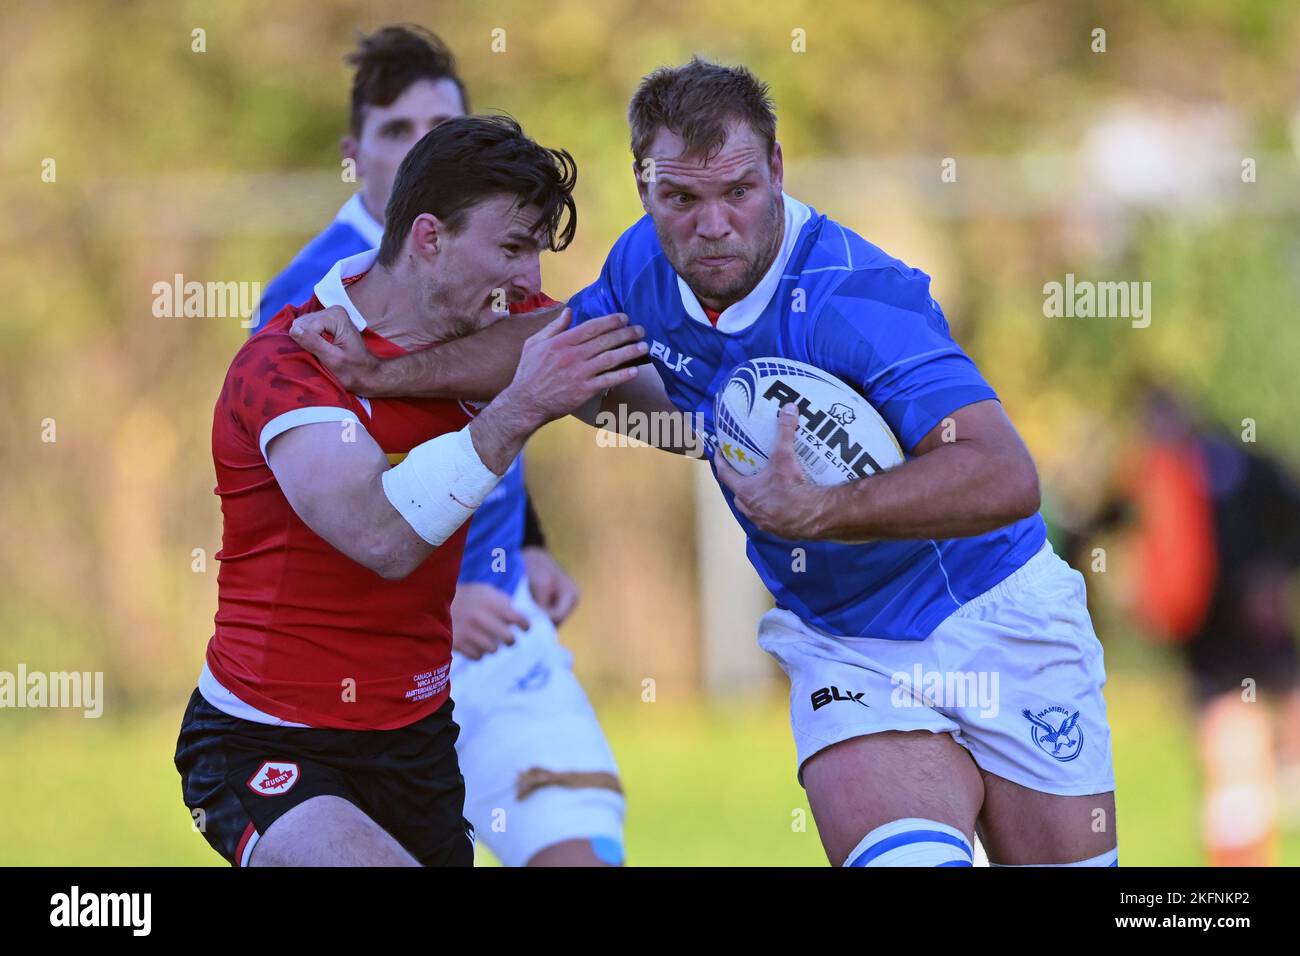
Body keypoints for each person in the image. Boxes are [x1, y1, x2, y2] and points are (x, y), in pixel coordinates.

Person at [291, 58, 1119, 868]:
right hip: (847, 647)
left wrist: (822, 510)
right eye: (680, 197)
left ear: (777, 171)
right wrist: (383, 372)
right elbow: (551, 353)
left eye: (739, 192)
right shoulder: (642, 269)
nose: (713, 225)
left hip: (997, 618)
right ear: (645, 187)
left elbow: (1005, 476)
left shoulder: (859, 300)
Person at [173, 115, 643, 866]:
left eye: (539, 252)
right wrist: (519, 407)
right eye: (513, 248)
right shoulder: (292, 361)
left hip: (417, 741)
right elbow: (381, 538)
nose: (531, 279)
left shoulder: (504, 329)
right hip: (269, 739)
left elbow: (656, 393)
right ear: (429, 238)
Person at [1065, 385, 1300, 865]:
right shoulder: (1144, 480)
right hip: (1208, 647)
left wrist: (1276, 573)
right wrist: (1105, 593)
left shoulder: (1237, 464)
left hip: (1264, 636)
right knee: (1233, 759)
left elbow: (1290, 511)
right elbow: (1087, 530)